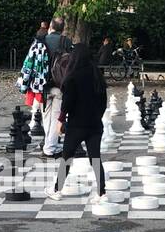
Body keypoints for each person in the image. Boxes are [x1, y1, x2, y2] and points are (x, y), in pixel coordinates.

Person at [48, 42, 107, 203]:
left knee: (66, 158)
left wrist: (61, 120)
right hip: (95, 124)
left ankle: (57, 190)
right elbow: (103, 102)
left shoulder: (72, 77)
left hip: (76, 125)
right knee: (95, 158)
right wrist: (97, 117)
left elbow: (67, 102)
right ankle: (101, 192)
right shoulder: (97, 75)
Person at [41, 16, 74, 157]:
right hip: (60, 84)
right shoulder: (66, 41)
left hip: (43, 85)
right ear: (62, 28)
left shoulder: (41, 40)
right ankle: (50, 146)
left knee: (46, 116)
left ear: (51, 27)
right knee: (56, 117)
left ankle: (48, 143)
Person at [17, 26, 50, 113]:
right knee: (40, 104)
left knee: (35, 106)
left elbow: (28, 65)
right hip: (43, 81)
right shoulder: (46, 47)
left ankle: (34, 121)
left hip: (33, 80)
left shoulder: (35, 46)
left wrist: (23, 82)